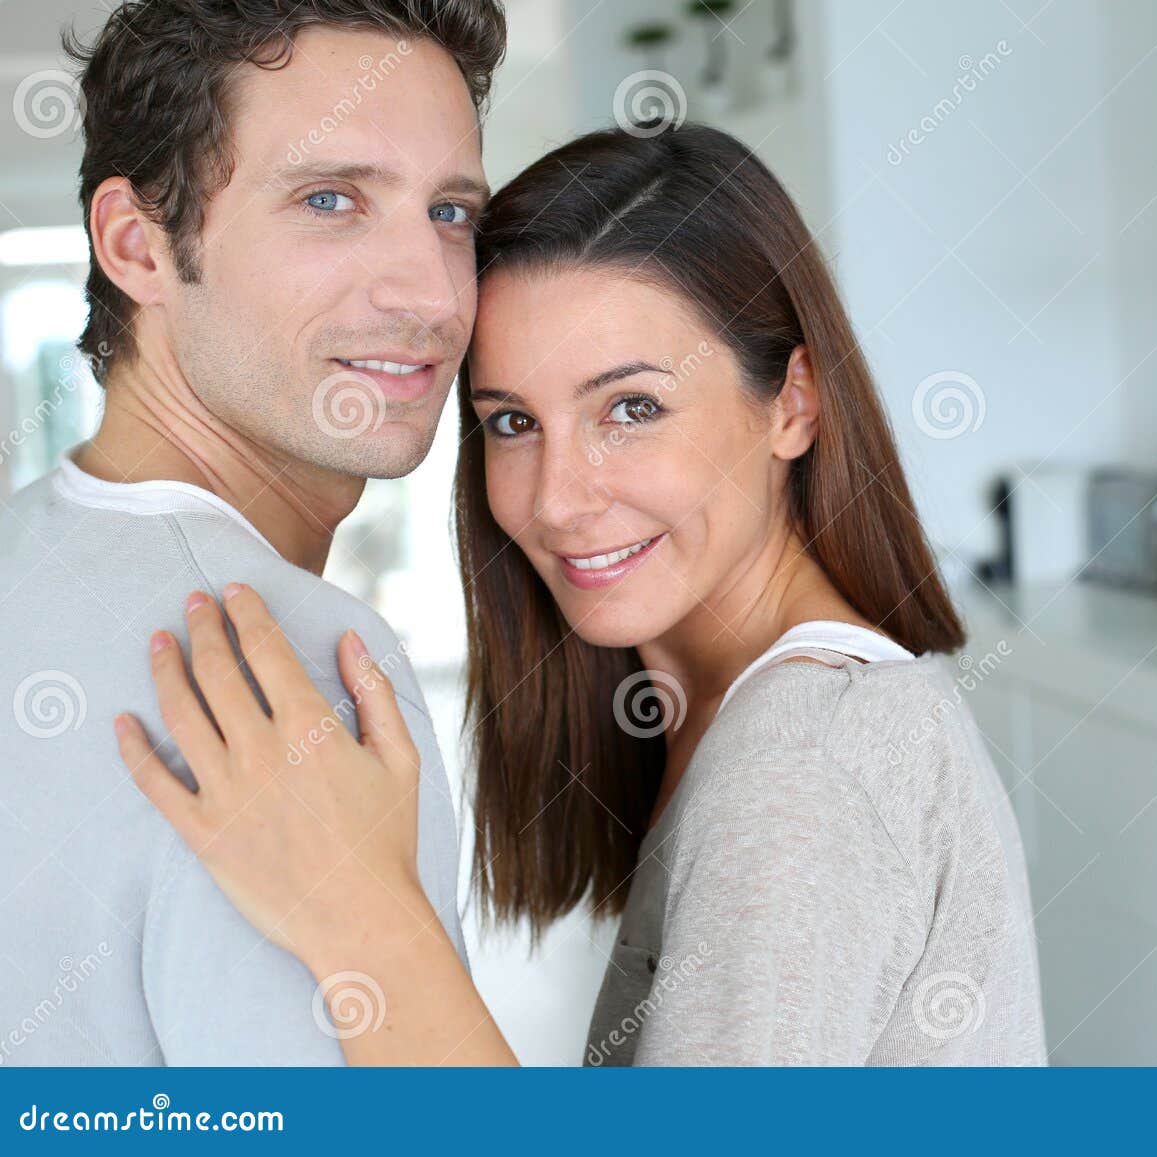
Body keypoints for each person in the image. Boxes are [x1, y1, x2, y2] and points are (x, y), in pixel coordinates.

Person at [119, 121, 1048, 1065]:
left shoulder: (804, 769)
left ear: (793, 403)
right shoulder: (745, 718)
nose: (557, 499)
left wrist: (360, 911)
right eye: (513, 422)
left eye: (632, 408)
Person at [0, 0, 506, 1065]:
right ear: (137, 246)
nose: (430, 292)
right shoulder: (296, 671)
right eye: (331, 199)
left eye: (451, 213)